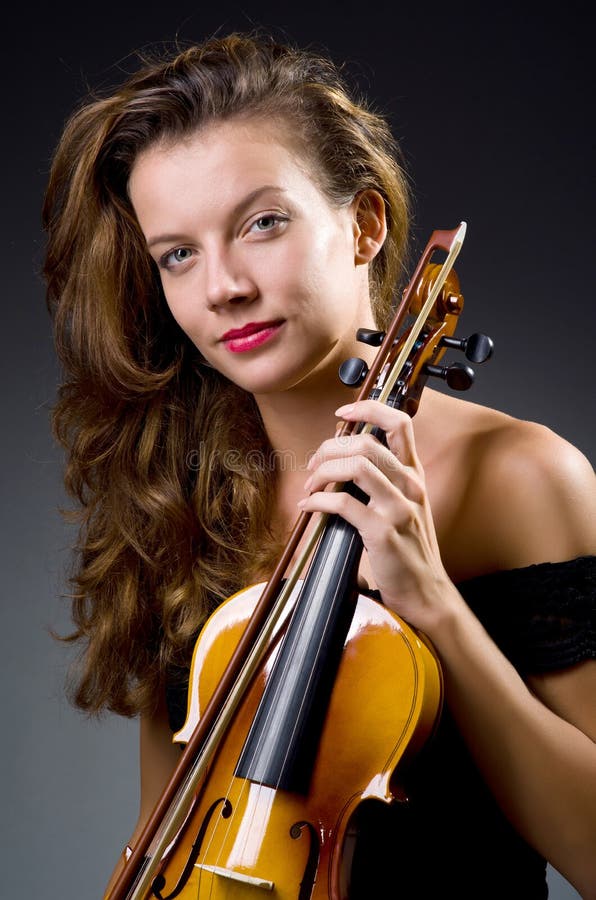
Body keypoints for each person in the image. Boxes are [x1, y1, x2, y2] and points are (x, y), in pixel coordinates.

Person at [42, 31, 596, 899]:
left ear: (365, 224)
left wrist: (434, 604)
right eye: (178, 253)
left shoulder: (520, 477)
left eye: (262, 224)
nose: (223, 286)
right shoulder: (180, 492)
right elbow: (171, 844)